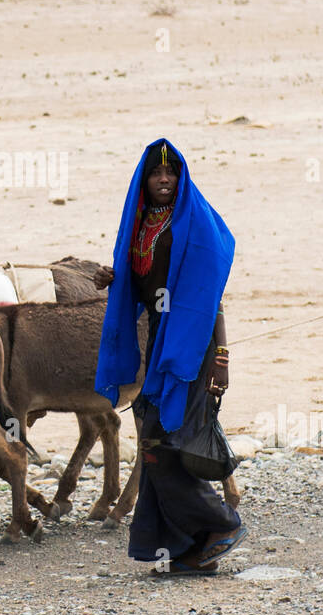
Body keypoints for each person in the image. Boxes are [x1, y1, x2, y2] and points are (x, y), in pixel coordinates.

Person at [95, 138, 245, 575]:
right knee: (164, 444)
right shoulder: (140, 226)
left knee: (160, 443)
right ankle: (188, 551)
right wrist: (117, 278)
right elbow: (145, 284)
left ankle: (221, 525)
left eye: (171, 173)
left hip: (192, 347)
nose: (164, 179)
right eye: (156, 174)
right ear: (144, 180)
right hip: (159, 342)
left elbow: (209, 296)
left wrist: (221, 357)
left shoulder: (193, 224)